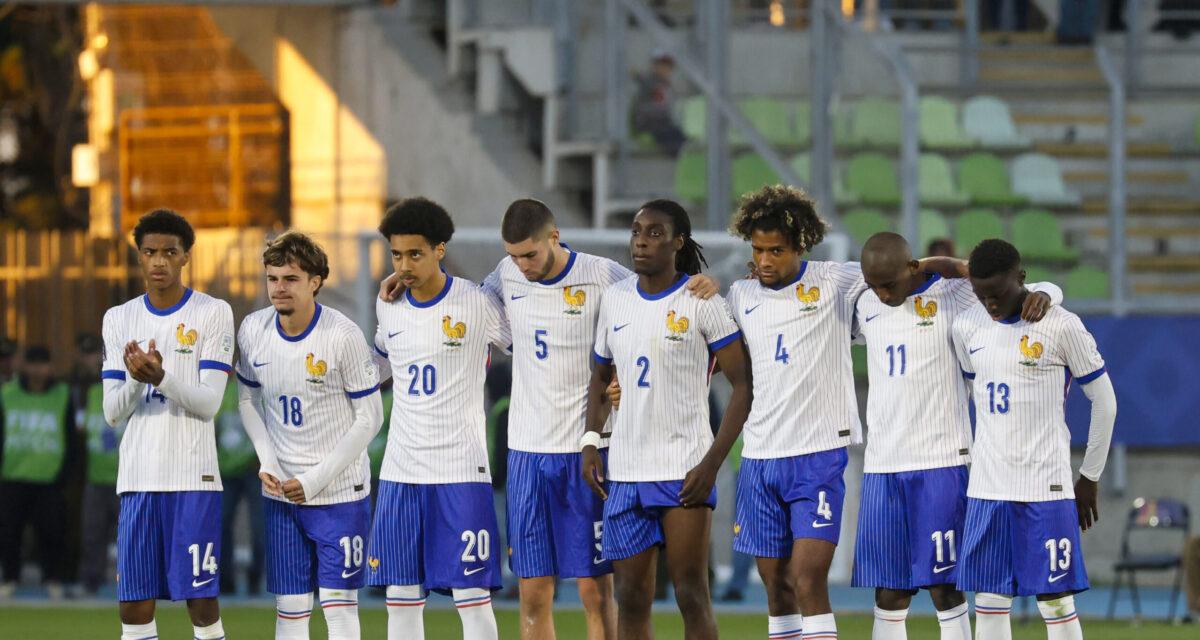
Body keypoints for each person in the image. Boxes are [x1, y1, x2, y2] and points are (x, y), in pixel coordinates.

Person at [852, 232, 1063, 640]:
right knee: (889, 591)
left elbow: (1026, 289)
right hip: (882, 467)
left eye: (889, 285)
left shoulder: (955, 297)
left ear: (912, 267)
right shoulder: (865, 304)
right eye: (873, 285)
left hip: (942, 462)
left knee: (944, 587)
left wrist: (1048, 294)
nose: (880, 294)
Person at [583, 199, 752, 640]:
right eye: (637, 231)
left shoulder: (702, 300)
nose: (641, 240)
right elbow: (601, 376)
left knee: (691, 594)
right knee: (632, 598)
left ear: (679, 242)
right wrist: (589, 439)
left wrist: (711, 463)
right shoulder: (615, 300)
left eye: (655, 232)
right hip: (627, 471)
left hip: (684, 470)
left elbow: (744, 386)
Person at [952, 239, 1117, 640]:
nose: (990, 303)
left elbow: (1105, 402)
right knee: (989, 601)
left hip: (1047, 486)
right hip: (989, 488)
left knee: (1056, 599)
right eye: (981, 293)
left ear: (1021, 279)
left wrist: (1090, 476)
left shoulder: (1060, 324)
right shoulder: (966, 326)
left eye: (998, 293)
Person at [368, 198, 511, 640]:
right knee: (402, 601)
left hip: (460, 472)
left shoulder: (476, 303)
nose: (405, 264)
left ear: (439, 250)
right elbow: (378, 368)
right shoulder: (388, 306)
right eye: (397, 254)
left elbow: (525, 348)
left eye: (415, 253)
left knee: (473, 600)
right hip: (401, 473)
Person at [235, 231, 382, 639]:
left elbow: (370, 418)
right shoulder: (252, 329)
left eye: (291, 279)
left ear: (316, 281)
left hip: (339, 493)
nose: (279, 288)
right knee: (291, 608)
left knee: (338, 607)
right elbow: (247, 402)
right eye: (272, 278)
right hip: (281, 492)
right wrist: (268, 461)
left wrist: (315, 479)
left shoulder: (342, 335)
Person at [101, 208, 234, 640]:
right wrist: (141, 383)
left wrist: (161, 377)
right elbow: (112, 412)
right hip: (139, 477)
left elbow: (210, 402)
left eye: (169, 252)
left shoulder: (212, 313)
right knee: (134, 605)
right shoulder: (118, 319)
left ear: (185, 257)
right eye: (150, 252)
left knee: (201, 602)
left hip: (194, 478)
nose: (159, 261)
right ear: (139, 257)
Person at [0, 345, 74, 599]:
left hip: (50, 478)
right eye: (33, 363)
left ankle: (52, 579)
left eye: (43, 363)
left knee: (52, 531)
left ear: (50, 366)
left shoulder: (63, 394)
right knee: (9, 531)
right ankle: (10, 578)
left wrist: (64, 474)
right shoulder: (7, 394)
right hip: (13, 475)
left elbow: (71, 437)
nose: (38, 369)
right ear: (24, 366)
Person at [77, 333, 124, 597]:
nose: (93, 359)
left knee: (128, 536)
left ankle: (131, 582)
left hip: (124, 477)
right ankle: (90, 583)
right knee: (92, 533)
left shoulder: (124, 388)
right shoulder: (85, 390)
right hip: (96, 476)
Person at [216, 377, 264, 596]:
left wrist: (264, 457)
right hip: (226, 471)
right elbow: (212, 429)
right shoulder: (219, 391)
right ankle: (226, 579)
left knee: (259, 528)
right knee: (222, 525)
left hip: (255, 470)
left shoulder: (259, 390)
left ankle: (255, 577)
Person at [632, 51, 686, 156]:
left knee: (681, 137)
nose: (665, 69)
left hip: (664, 124)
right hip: (649, 125)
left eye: (668, 66)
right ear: (654, 66)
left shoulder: (667, 86)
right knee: (673, 140)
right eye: (662, 65)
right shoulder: (650, 82)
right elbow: (641, 78)